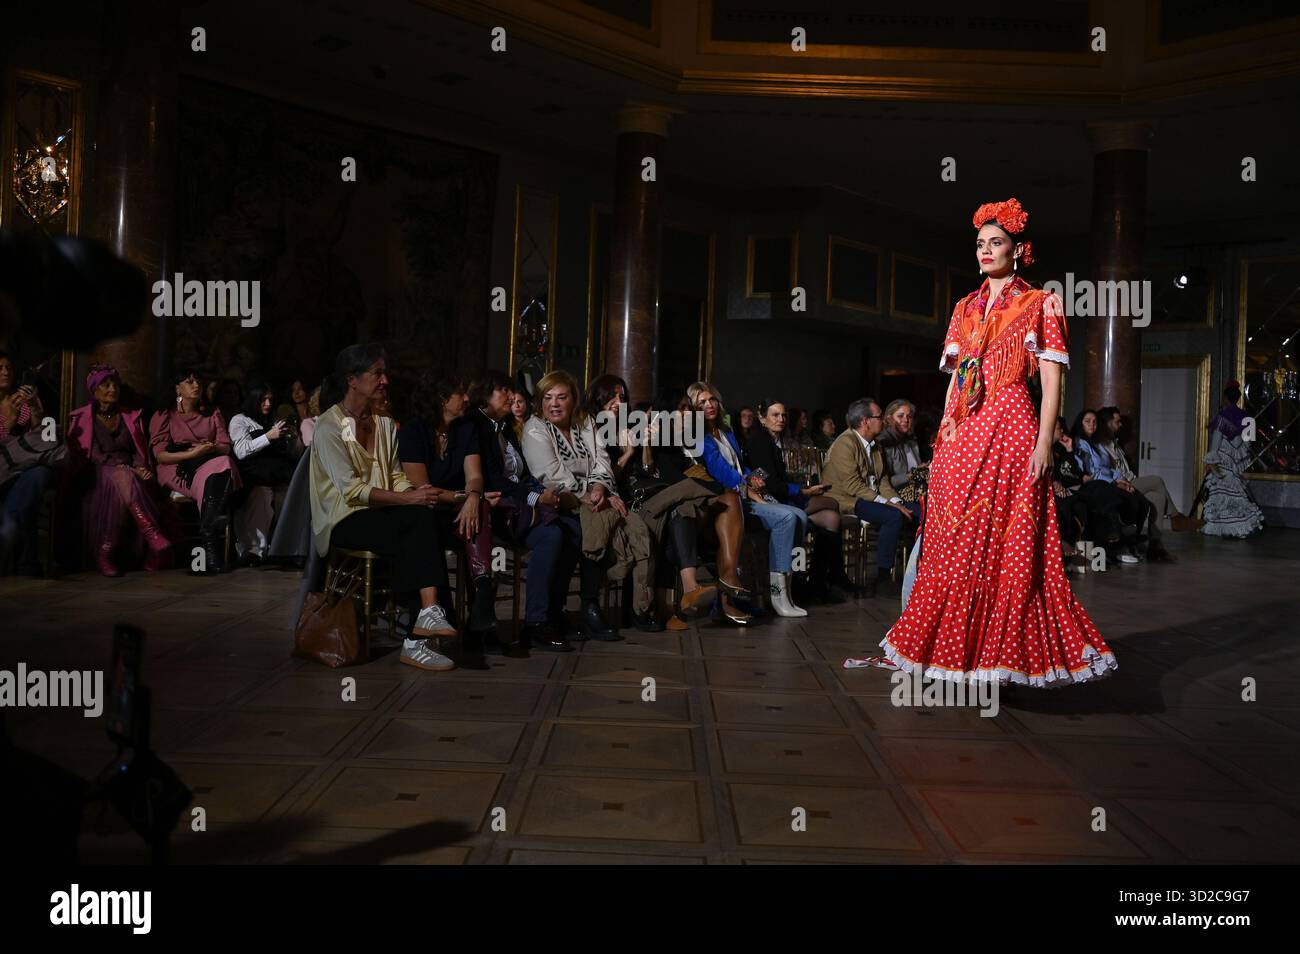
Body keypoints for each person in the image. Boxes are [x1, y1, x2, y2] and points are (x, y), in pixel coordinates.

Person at [849, 197, 1115, 686]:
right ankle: (954, 651)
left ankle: (999, 655)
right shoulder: (964, 308)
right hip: (965, 431)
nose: (986, 251)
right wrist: (945, 431)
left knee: (1006, 539)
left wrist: (1044, 444)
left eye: (997, 243)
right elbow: (954, 379)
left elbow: (1053, 382)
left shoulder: (1040, 302)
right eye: (980, 244)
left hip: (1013, 425)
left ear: (1018, 250)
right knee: (952, 537)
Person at [310, 343, 458, 671]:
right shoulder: (328, 426)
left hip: (382, 513)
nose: (385, 381)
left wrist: (418, 492)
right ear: (352, 380)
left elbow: (394, 475)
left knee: (423, 519)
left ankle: (426, 622)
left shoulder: (384, 423)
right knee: (414, 530)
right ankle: (421, 630)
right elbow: (351, 491)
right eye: (377, 374)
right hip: (344, 518)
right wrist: (408, 499)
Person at [588, 374, 745, 626]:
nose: (618, 402)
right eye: (683, 408)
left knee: (685, 510)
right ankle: (692, 596)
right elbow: (646, 473)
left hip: (675, 502)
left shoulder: (681, 435)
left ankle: (691, 594)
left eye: (622, 397)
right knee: (716, 493)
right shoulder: (621, 429)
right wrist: (635, 450)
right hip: (640, 500)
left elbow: (682, 472)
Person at [522, 369, 659, 634]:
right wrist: (590, 494)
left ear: (573, 399)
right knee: (587, 529)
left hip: (593, 495)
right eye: (548, 398)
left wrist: (599, 488)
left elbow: (602, 460)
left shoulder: (585, 422)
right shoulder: (535, 427)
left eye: (561, 397)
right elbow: (551, 473)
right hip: (558, 499)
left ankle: (631, 606)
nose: (554, 404)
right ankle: (585, 606)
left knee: (629, 525)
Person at [464, 369, 584, 653]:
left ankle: (551, 614)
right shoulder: (475, 426)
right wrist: (535, 497)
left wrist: (543, 493)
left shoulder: (503, 426)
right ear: (484, 396)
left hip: (517, 504)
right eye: (503, 390)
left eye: (511, 390)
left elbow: (521, 472)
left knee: (573, 529)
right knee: (552, 535)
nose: (511, 396)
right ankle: (536, 622)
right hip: (492, 510)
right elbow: (493, 479)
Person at [689, 380, 808, 618]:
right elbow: (720, 470)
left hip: (745, 494)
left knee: (801, 516)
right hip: (726, 501)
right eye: (702, 402)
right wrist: (749, 487)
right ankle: (777, 594)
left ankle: (790, 590)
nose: (709, 405)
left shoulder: (726, 431)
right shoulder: (698, 435)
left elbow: (739, 466)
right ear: (693, 408)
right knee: (786, 517)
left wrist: (751, 478)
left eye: (712, 399)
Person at [397, 372, 499, 640]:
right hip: (426, 512)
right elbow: (423, 489)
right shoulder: (413, 431)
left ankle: (483, 591)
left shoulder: (465, 429)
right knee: (433, 515)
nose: (467, 398)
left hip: (459, 512)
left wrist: (474, 496)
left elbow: (474, 476)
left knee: (482, 507)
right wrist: (462, 498)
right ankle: (458, 612)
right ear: (441, 399)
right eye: (460, 393)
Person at [63, 365, 173, 576]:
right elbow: (89, 453)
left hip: (130, 473)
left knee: (126, 481)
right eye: (106, 385)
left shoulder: (129, 417)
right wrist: (122, 468)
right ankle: (152, 537)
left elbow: (138, 450)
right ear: (94, 390)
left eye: (115, 384)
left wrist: (140, 468)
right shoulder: (83, 418)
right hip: (97, 472)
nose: (112, 389)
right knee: (121, 478)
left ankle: (105, 552)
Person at [746, 399, 856, 604]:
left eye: (783, 415)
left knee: (832, 518)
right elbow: (769, 483)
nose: (781, 419)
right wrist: (804, 491)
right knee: (831, 503)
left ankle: (818, 581)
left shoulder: (776, 441)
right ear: (762, 418)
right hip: (772, 499)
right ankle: (819, 578)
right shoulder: (759, 442)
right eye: (775, 415)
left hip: (784, 494)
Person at [822, 397, 921, 596]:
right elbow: (853, 486)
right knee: (892, 516)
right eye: (878, 416)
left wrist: (898, 502)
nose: (883, 420)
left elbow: (883, 480)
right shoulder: (845, 443)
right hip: (846, 499)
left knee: (920, 512)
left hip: (868, 496)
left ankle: (923, 573)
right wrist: (890, 505)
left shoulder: (874, 445)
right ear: (865, 421)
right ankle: (882, 577)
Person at [150, 370, 239, 574]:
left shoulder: (212, 412)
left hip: (208, 460)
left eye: (198, 381)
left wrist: (206, 449)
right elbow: (160, 456)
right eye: (189, 382)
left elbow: (225, 446)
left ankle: (207, 531)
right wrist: (192, 453)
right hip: (177, 466)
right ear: (177, 388)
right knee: (220, 469)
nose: (196, 385)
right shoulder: (165, 414)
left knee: (224, 463)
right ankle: (209, 539)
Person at [229, 383, 302, 565]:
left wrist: (293, 438)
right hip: (251, 478)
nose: (268, 404)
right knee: (262, 495)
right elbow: (241, 451)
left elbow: (294, 454)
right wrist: (268, 436)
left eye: (270, 399)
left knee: (288, 497)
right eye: (263, 399)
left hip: (276, 476)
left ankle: (287, 551)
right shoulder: (240, 420)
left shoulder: (273, 420)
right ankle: (254, 551)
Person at [0, 352, 56, 574]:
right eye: (0, 367)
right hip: (3, 468)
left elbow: (45, 437)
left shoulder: (22, 400)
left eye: (9, 368)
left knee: (40, 473)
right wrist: (10, 422)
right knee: (28, 502)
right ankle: (27, 560)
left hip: (22, 468)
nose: (5, 372)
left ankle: (10, 531)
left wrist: (34, 407)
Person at [1095, 405, 1176, 560]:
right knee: (1156, 480)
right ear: (1107, 423)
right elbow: (1105, 473)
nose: (1121, 425)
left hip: (1131, 482)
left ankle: (1155, 547)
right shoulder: (1100, 446)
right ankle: (1175, 516)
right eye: (1117, 421)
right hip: (1119, 486)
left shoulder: (1115, 444)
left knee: (1158, 498)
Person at [1072, 409, 1148, 564]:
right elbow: (1092, 472)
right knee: (1118, 498)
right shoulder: (1079, 443)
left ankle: (1131, 534)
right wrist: (1114, 482)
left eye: (1094, 422)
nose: (1092, 425)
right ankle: (1119, 544)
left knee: (1140, 499)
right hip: (1092, 484)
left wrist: (1122, 480)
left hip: (1107, 480)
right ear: (1081, 423)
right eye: (1088, 421)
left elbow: (1109, 468)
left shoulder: (1098, 444)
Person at [1201, 381, 1264, 538]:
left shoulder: (1223, 417)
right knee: (1234, 495)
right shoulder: (1248, 418)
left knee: (1221, 496)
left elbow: (1216, 441)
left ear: (1225, 398)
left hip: (1221, 461)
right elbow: (1248, 446)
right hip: (1234, 464)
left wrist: (1210, 461)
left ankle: (1226, 528)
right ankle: (1236, 528)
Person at [879, 398, 927, 500]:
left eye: (909, 416)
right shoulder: (884, 443)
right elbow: (884, 483)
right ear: (889, 419)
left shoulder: (911, 441)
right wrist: (911, 474)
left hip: (918, 492)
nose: (906, 419)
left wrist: (922, 469)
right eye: (900, 416)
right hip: (896, 496)